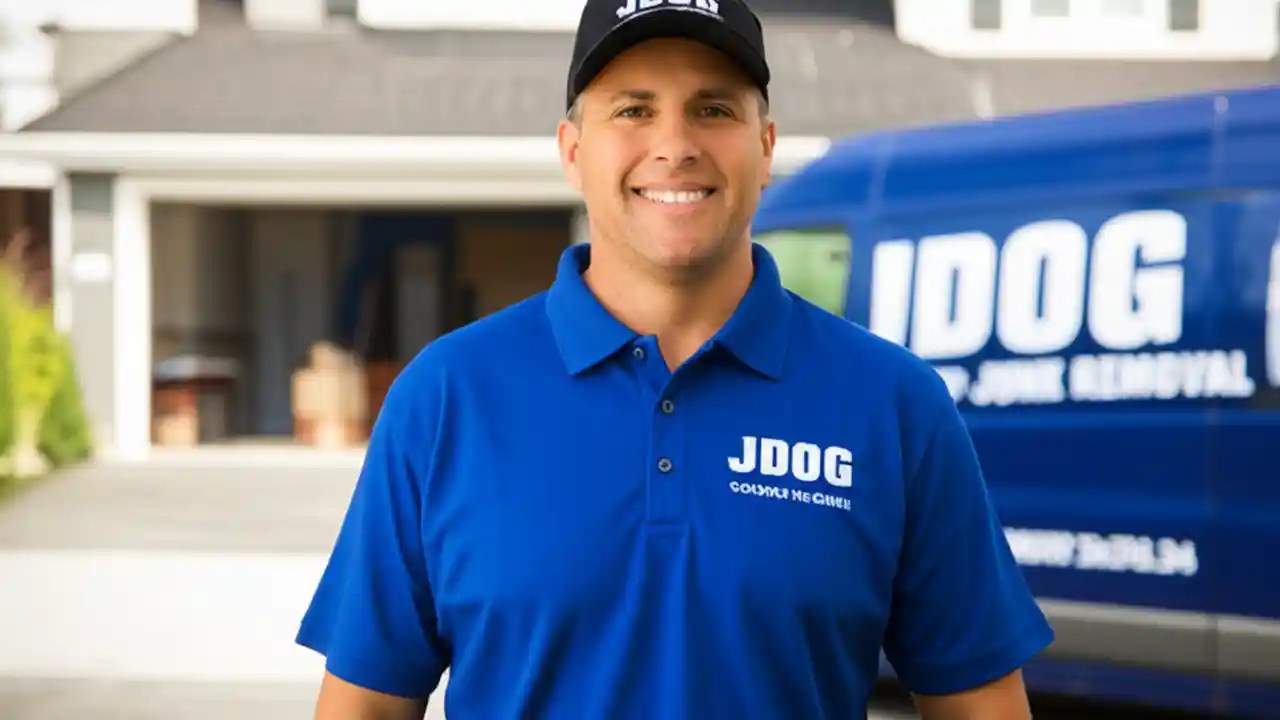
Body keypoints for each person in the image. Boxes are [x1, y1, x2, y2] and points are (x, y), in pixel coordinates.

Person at [295, 0, 1055, 717]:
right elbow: (364, 702)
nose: (675, 145)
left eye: (714, 108)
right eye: (633, 109)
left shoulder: (894, 404)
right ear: (573, 151)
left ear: (764, 148)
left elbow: (981, 704)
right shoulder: (447, 397)